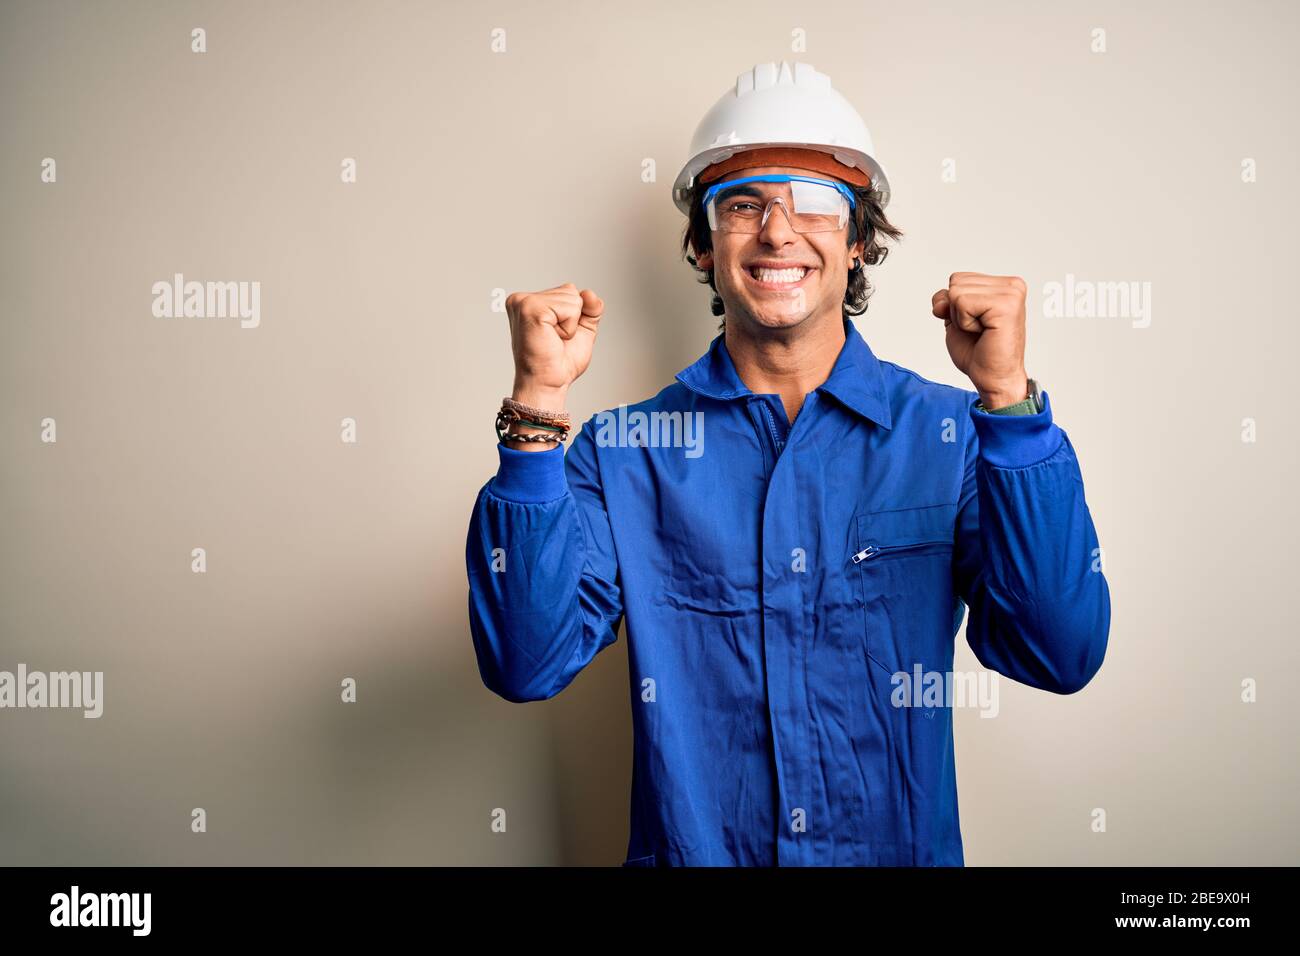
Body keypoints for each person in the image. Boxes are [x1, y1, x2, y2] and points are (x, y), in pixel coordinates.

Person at [465, 61, 1110, 866]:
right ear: (702, 246)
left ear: (859, 242)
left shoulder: (954, 437)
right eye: (743, 204)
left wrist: (1010, 404)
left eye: (813, 203)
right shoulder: (622, 454)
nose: (777, 231)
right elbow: (527, 661)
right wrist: (537, 402)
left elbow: (1059, 652)